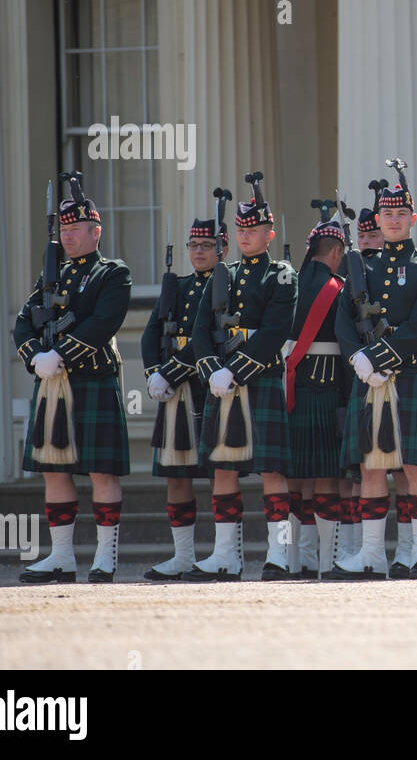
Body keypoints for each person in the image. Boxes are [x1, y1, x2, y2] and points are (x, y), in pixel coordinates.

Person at [329, 171, 417, 579]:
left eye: (400, 213)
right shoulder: (363, 266)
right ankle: (373, 554)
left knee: (415, 466)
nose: (393, 219)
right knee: (371, 467)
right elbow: (344, 319)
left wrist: (379, 356)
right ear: (377, 220)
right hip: (369, 377)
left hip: (410, 374)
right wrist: (357, 358)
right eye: (387, 213)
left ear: (413, 218)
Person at [16, 175, 132, 583]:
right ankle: (62, 556)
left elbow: (103, 323)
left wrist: (59, 353)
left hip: (93, 377)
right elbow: (22, 323)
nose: (67, 236)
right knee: (54, 469)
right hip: (52, 384)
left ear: (94, 231)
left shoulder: (112, 274)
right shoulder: (51, 276)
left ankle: (105, 557)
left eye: (74, 229)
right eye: (62, 229)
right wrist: (36, 357)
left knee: (101, 469)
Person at [186, 174, 297, 581]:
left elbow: (274, 331)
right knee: (223, 470)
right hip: (222, 381)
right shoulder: (223, 274)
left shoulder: (281, 275)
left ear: (269, 232)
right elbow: (201, 331)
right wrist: (212, 368)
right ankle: (225, 555)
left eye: (254, 229)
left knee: (271, 471)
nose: (246, 235)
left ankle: (280, 552)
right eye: (241, 229)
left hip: (259, 376)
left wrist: (236, 370)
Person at [140, 217, 222, 580]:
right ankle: (184, 555)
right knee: (178, 475)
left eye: (206, 245)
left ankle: (224, 553)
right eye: (194, 246)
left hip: (209, 384)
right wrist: (152, 373)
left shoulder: (228, 283)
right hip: (177, 392)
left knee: (219, 473)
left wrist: (168, 371)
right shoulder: (179, 286)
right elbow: (151, 333)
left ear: (222, 248)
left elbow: (207, 340)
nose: (199, 252)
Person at [284, 208, 349, 579]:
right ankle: (327, 561)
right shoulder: (335, 289)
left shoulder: (289, 283)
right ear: (336, 253)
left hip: (291, 390)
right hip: (326, 392)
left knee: (293, 482)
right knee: (326, 478)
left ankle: (293, 559)